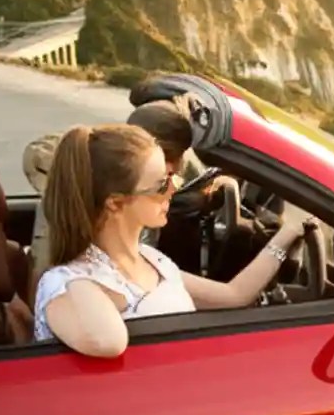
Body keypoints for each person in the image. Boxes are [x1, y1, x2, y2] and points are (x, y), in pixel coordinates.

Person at [34, 123, 304, 358]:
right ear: (115, 204)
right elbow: (109, 342)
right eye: (161, 185)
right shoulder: (67, 286)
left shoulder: (152, 260)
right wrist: (78, 275)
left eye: (172, 177)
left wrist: (286, 235)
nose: (175, 188)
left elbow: (234, 295)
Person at [23, 95, 207, 300]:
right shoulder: (74, 279)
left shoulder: (154, 262)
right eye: (162, 182)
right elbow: (45, 282)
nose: (173, 182)